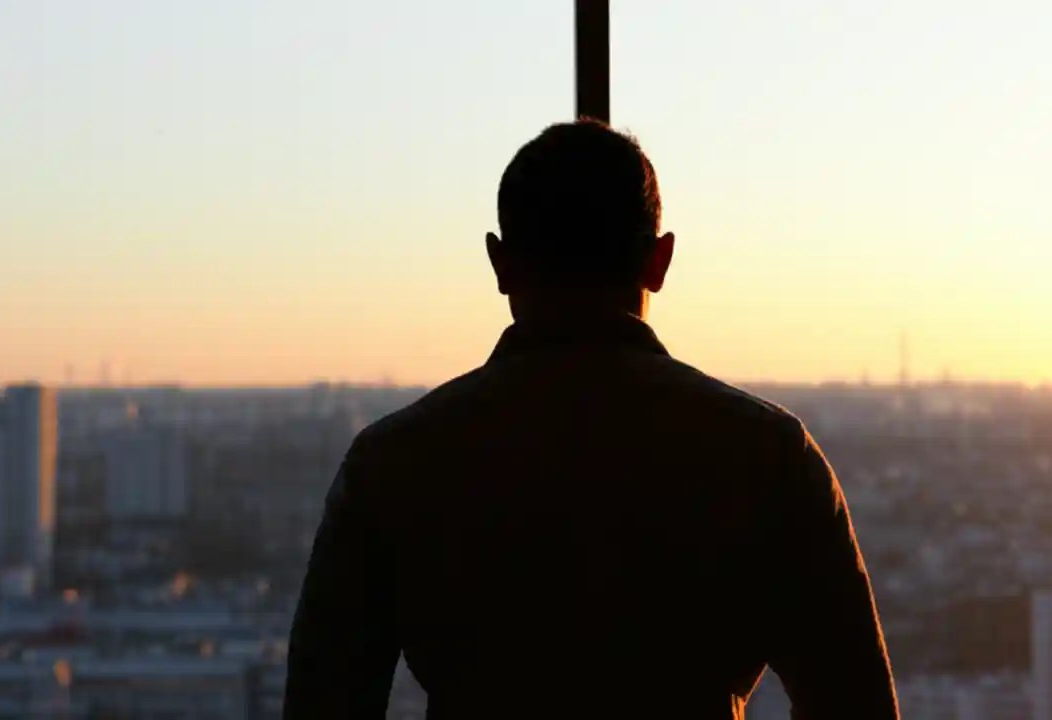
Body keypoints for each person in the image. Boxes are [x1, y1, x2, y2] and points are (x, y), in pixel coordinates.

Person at [284, 120, 898, 719]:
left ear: (500, 264)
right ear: (659, 261)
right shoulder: (769, 455)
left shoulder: (395, 462)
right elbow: (855, 704)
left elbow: (324, 701)